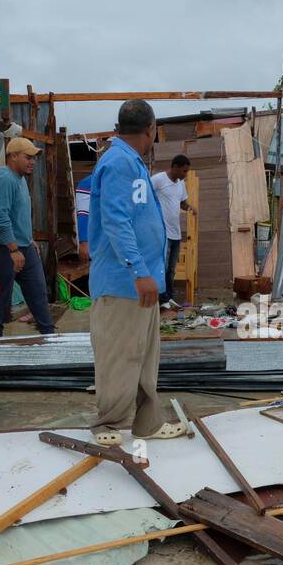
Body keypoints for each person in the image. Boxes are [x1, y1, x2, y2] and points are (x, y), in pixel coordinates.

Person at [87, 99, 188, 446]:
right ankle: (108, 424)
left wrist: (149, 276)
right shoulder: (118, 163)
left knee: (145, 355)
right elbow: (117, 221)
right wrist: (138, 270)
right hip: (123, 281)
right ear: (151, 129)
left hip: (144, 281)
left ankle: (147, 423)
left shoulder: (132, 162)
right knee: (119, 354)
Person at [0, 136, 56, 337]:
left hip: (22, 245)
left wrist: (27, 239)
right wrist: (13, 249)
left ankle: (48, 334)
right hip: (1, 247)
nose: (33, 162)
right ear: (13, 156)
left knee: (38, 291)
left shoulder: (20, 178)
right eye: (28, 157)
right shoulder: (4, 179)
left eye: (34, 158)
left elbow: (17, 214)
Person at [151, 154, 193, 309]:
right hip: (162, 233)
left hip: (176, 232)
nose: (185, 175)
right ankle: (162, 299)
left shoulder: (180, 184)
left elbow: (181, 202)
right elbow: (146, 196)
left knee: (171, 268)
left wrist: (189, 207)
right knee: (163, 265)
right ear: (174, 167)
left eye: (186, 172)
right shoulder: (158, 179)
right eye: (183, 171)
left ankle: (169, 298)